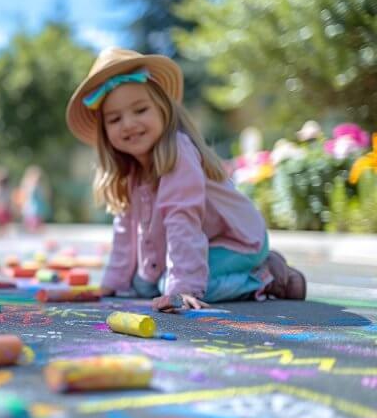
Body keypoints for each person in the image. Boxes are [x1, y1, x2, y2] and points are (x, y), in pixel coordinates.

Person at [65, 47, 306, 312]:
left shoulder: (177, 153)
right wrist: (113, 283)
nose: (128, 124)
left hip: (238, 243)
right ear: (104, 132)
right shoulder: (132, 173)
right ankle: (219, 276)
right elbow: (125, 233)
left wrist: (183, 287)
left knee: (171, 286)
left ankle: (267, 277)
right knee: (140, 284)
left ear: (163, 110)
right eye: (114, 119)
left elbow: (183, 221)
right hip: (204, 244)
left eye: (140, 110)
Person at [17, 165, 50, 233]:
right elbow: (24, 197)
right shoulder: (27, 185)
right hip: (29, 211)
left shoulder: (41, 186)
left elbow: (44, 196)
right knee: (30, 227)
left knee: (37, 227)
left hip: (38, 210)